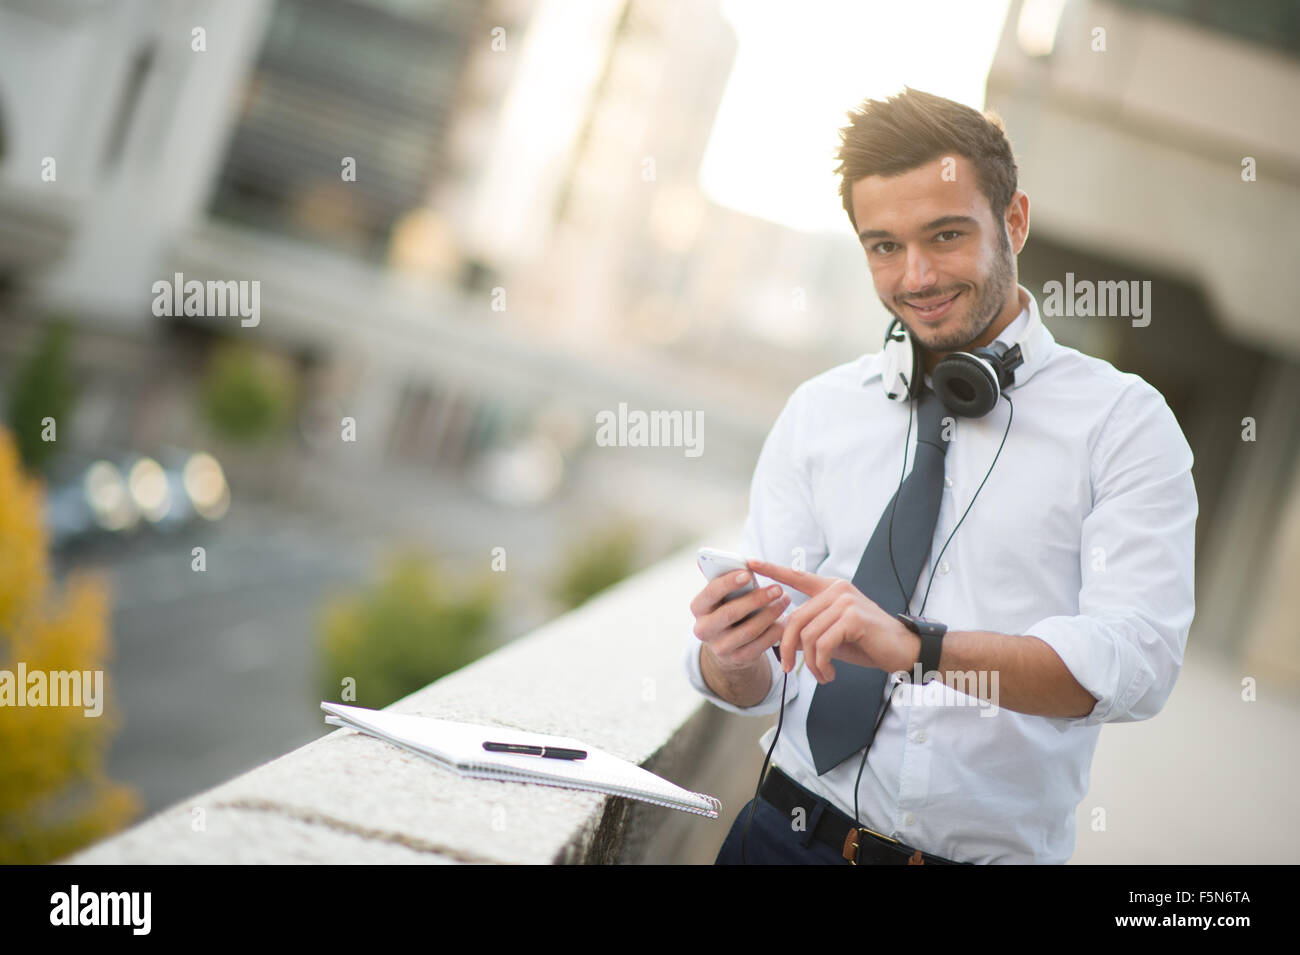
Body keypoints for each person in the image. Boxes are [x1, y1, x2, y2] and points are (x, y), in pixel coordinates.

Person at [683, 87, 1197, 865]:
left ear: (1014, 221)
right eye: (884, 245)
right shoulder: (820, 410)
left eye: (945, 235)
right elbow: (763, 678)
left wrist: (918, 646)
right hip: (776, 836)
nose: (915, 275)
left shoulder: (1124, 423)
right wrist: (732, 653)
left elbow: (1135, 664)